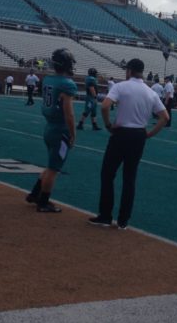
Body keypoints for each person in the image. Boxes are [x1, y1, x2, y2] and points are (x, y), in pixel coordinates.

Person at [88, 58, 168, 229]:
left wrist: (109, 125)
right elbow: (165, 117)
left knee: (108, 174)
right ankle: (123, 220)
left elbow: (105, 106)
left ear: (129, 70)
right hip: (139, 135)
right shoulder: (150, 92)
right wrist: (149, 134)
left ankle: (105, 215)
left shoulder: (121, 86)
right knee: (129, 178)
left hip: (121, 133)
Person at [25, 49, 77, 213]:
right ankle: (44, 202)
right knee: (54, 169)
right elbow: (69, 113)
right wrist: (73, 133)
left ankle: (34, 194)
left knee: (50, 165)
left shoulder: (48, 79)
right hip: (60, 129)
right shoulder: (67, 84)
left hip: (49, 127)